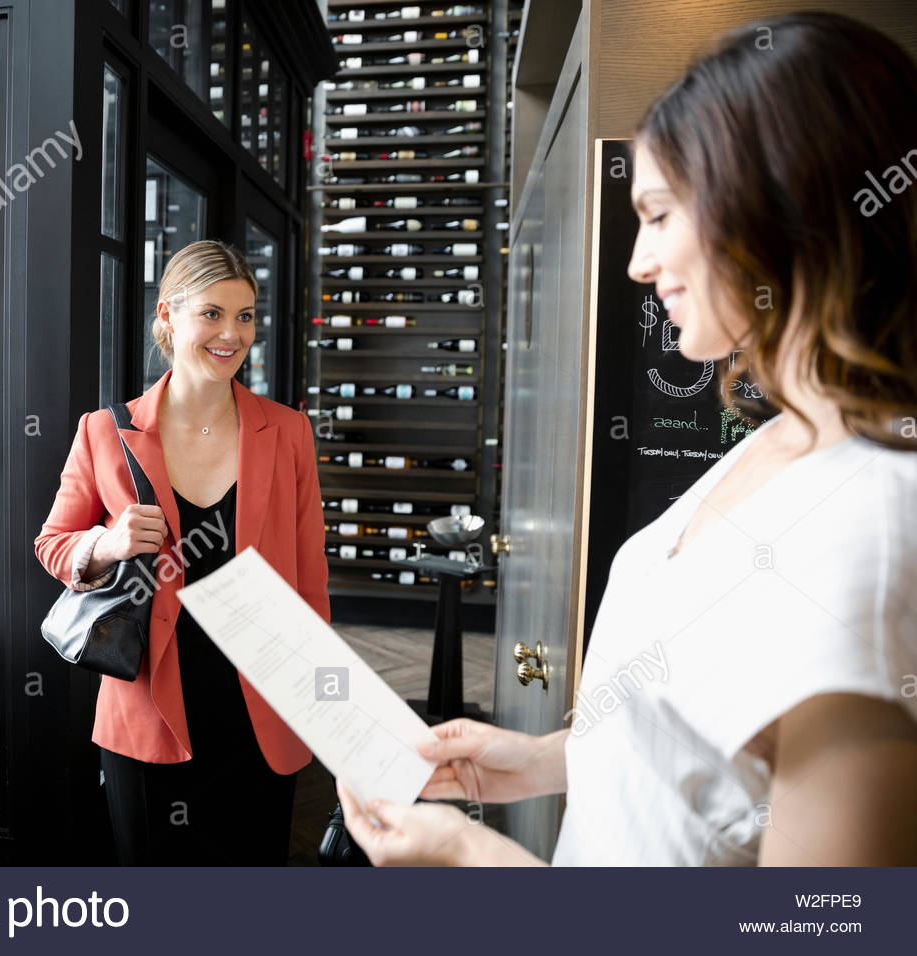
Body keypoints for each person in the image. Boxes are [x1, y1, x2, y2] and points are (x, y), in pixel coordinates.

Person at [337, 11, 917, 866]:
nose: (639, 262)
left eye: (658, 213)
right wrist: (538, 762)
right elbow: (703, 759)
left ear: (776, 207)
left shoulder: (876, 526)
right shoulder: (775, 446)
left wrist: (474, 863)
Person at [35, 239, 328, 865]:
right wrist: (106, 544)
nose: (233, 334)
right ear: (168, 315)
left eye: (246, 315)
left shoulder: (289, 432)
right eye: (213, 314)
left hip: (261, 709)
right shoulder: (105, 431)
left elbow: (310, 580)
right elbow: (53, 545)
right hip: (149, 712)